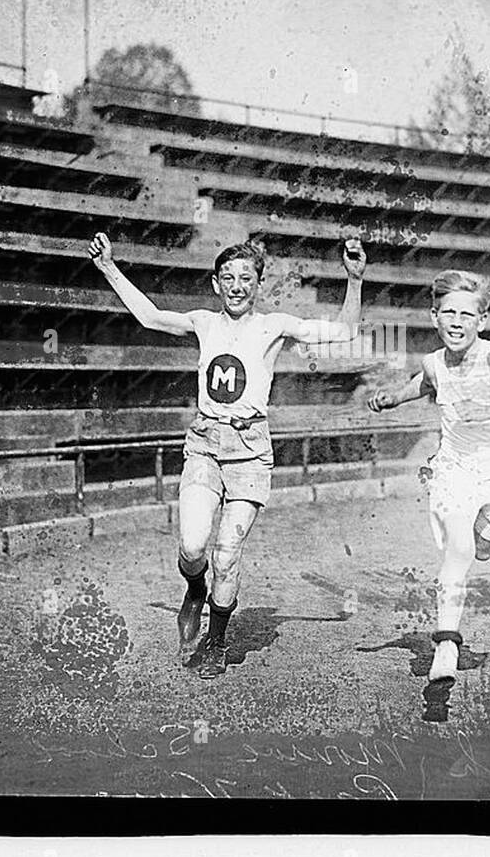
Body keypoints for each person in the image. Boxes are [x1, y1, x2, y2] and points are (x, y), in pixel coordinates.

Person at [88, 231, 366, 678]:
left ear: (258, 284)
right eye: (228, 277)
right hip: (205, 447)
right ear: (216, 284)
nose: (237, 285)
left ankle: (216, 642)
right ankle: (194, 591)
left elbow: (345, 331)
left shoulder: (274, 326)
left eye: (246, 277)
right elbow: (150, 316)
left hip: (251, 453)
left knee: (228, 551)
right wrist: (107, 267)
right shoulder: (203, 321)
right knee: (193, 545)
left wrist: (354, 278)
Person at [368, 269, 490, 684]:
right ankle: (447, 643)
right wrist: (391, 399)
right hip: (453, 470)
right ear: (434, 316)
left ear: (482, 321)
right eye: (448, 312)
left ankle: (484, 535)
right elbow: (424, 383)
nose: (456, 322)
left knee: (483, 548)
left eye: (466, 315)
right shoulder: (434, 362)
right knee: (458, 551)